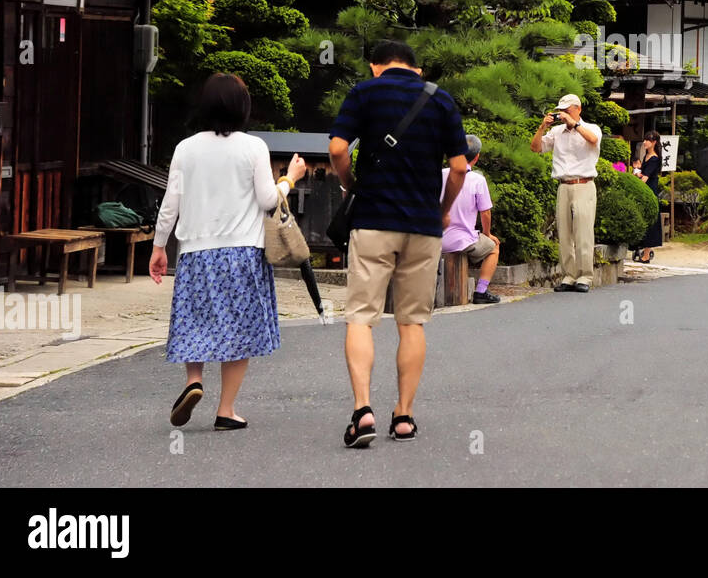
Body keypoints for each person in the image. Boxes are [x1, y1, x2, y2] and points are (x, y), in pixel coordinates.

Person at [329, 40, 469, 448]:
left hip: (373, 221)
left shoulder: (364, 92)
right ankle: (404, 416)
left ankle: (363, 410)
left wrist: (349, 183)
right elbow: (459, 166)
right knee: (411, 322)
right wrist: (442, 208)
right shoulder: (440, 100)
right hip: (423, 227)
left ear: (376, 66)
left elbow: (338, 147)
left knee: (361, 316)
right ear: (416, 69)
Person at [150, 73, 308, 431]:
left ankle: (194, 381)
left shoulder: (185, 149)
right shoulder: (253, 147)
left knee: (196, 321)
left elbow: (170, 205)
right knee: (239, 330)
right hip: (242, 255)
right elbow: (269, 200)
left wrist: (159, 247)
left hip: (195, 254)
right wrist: (291, 177)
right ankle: (226, 410)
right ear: (242, 108)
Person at [530, 94, 602, 292]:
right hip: (563, 184)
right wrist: (542, 127)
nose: (563, 115)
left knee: (583, 231)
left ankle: (585, 276)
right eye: (561, 111)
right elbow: (536, 148)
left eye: (567, 111)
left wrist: (575, 125)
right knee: (564, 232)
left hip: (584, 184)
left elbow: (593, 139)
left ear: (578, 109)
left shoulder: (591, 128)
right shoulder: (556, 132)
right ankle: (568, 275)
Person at [441, 134, 501, 304]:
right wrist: (487, 234)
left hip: (435, 238)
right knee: (494, 247)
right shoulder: (477, 180)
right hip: (461, 241)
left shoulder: (440, 174)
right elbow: (485, 213)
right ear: (477, 157)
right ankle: (481, 291)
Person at [633, 132, 664, 264]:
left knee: (649, 222)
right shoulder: (646, 156)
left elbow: (645, 178)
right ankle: (643, 251)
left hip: (650, 192)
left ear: (654, 142)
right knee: (644, 221)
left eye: (648, 140)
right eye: (644, 139)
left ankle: (646, 254)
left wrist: (638, 176)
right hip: (644, 191)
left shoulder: (654, 159)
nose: (645, 142)